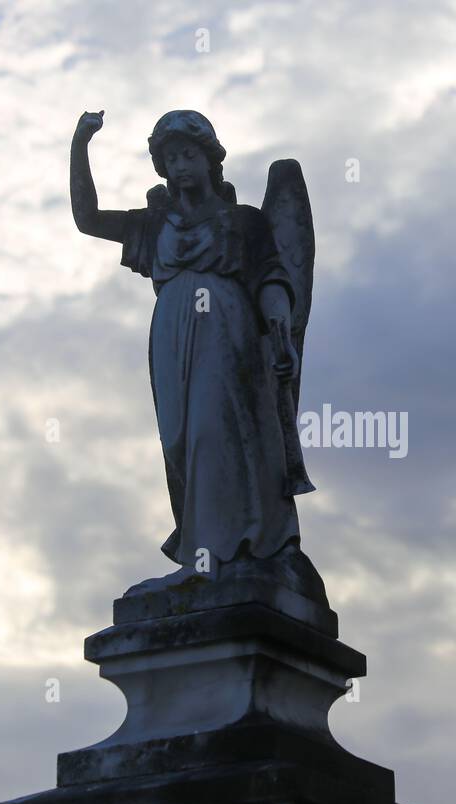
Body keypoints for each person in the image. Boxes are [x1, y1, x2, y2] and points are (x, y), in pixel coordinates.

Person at [70, 108, 324, 601]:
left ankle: (223, 556)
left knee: (214, 431)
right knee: (180, 442)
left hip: (226, 328)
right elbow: (87, 220)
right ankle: (199, 552)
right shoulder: (155, 224)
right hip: (170, 331)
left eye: (188, 154)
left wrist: (280, 329)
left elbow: (273, 278)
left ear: (210, 160)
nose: (180, 165)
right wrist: (80, 145)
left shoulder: (242, 221)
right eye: (169, 158)